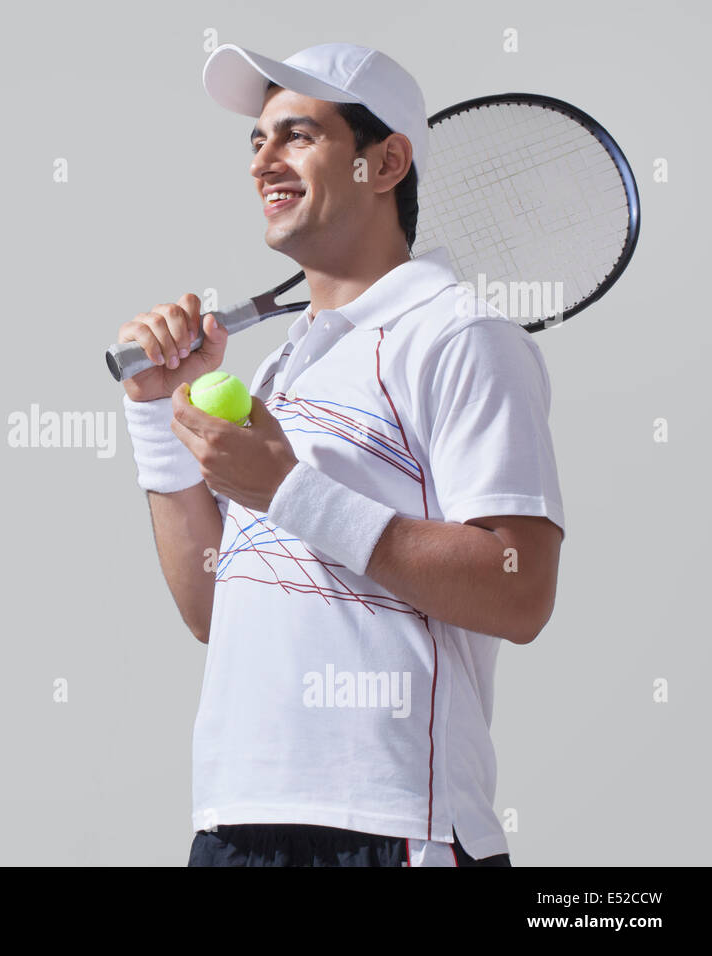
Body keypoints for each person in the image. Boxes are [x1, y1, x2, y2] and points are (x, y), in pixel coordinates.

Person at [116, 42, 565, 867]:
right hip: (232, 824)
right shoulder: (285, 366)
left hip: (391, 829)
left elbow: (521, 589)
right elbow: (213, 610)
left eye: (297, 135)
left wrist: (289, 490)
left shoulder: (462, 337)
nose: (264, 162)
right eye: (256, 142)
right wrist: (156, 419)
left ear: (385, 161)